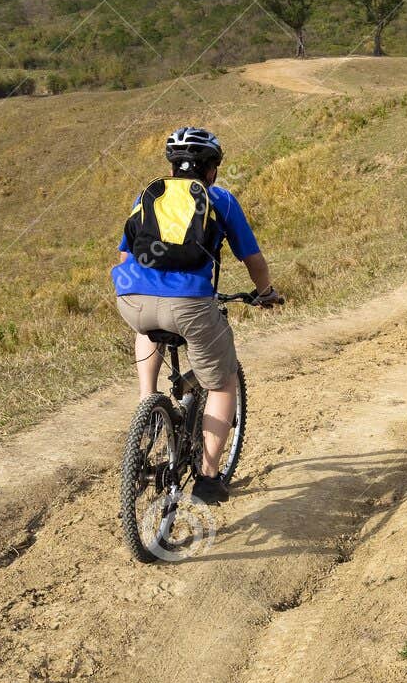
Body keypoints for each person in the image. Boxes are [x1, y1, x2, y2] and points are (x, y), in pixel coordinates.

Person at [112, 125, 282, 505]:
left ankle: (147, 401)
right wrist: (265, 293)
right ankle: (207, 479)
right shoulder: (219, 198)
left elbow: (125, 256)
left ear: (172, 167)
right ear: (211, 169)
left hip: (131, 299)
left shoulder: (147, 195)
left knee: (149, 327)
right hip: (190, 304)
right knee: (222, 384)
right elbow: (252, 259)